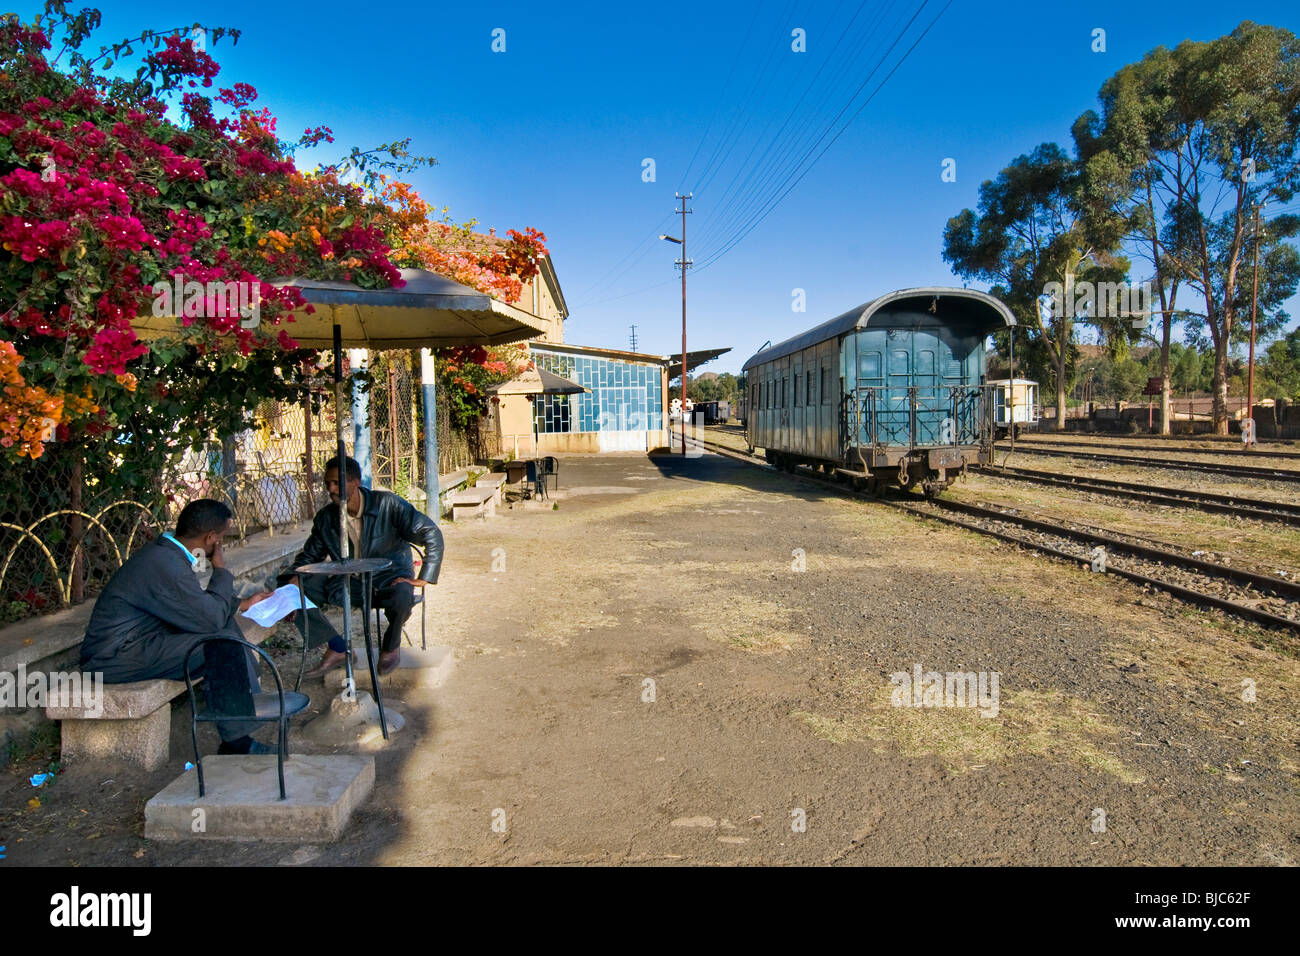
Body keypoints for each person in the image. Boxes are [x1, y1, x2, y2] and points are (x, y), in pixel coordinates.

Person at [81, 499, 276, 755]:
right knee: (220, 643)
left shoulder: (167, 554)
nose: (222, 545)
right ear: (211, 538)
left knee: (222, 627)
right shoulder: (165, 563)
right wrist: (221, 570)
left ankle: (248, 703)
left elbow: (196, 608)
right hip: (114, 657)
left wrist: (241, 604)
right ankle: (237, 741)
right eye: (223, 538)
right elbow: (209, 618)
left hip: (140, 642)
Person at [282, 455, 443, 679]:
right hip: (351, 584)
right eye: (327, 483)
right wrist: (294, 577)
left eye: (337, 483)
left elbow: (431, 533)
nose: (331, 489)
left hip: (389, 580)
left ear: (356, 482)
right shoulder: (326, 518)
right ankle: (338, 647)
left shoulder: (388, 505)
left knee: (403, 595)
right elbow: (310, 555)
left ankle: (391, 646)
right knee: (288, 589)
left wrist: (425, 576)